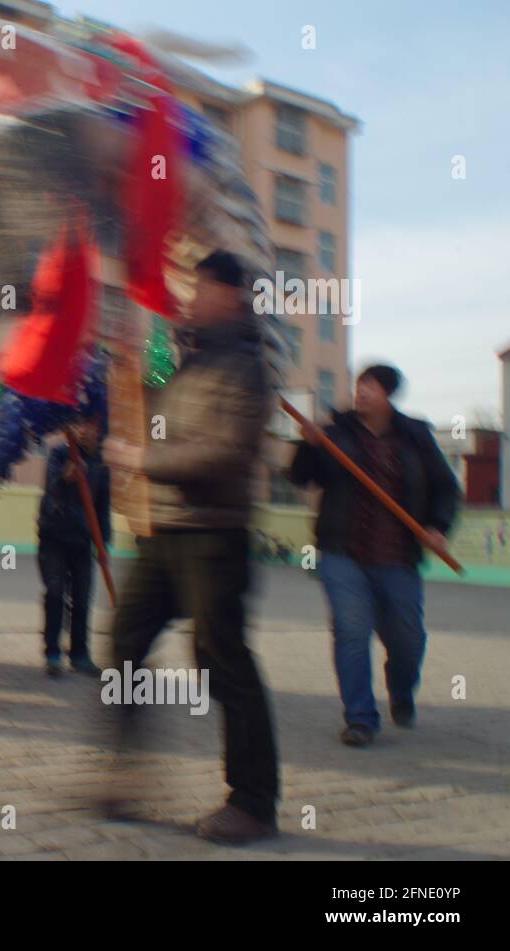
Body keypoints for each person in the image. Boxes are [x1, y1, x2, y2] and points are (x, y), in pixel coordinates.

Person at [101, 250, 279, 845]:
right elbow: (145, 409)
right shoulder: (183, 357)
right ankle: (123, 775)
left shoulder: (246, 368)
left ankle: (253, 802)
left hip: (215, 534)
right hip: (163, 531)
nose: (191, 297)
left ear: (231, 294)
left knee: (220, 658)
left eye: (200, 287)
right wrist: (124, 362)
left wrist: (144, 460)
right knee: (124, 640)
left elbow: (227, 451)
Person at [288, 364, 460, 747]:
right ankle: (360, 718)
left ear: (389, 395)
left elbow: (446, 488)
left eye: (371, 387)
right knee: (351, 631)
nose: (361, 393)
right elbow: (300, 478)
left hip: (398, 556)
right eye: (359, 386)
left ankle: (401, 690)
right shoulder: (335, 432)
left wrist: (437, 527)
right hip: (342, 553)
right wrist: (307, 445)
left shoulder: (415, 436)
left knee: (408, 639)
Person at [37, 416, 111, 677]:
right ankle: (52, 653)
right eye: (78, 424)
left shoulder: (102, 464)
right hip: (54, 535)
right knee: (55, 594)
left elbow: (102, 508)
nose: (82, 430)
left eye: (88, 424)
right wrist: (65, 477)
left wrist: (104, 545)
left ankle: (80, 655)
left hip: (83, 540)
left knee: (82, 598)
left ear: (98, 429)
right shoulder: (60, 453)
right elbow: (51, 489)